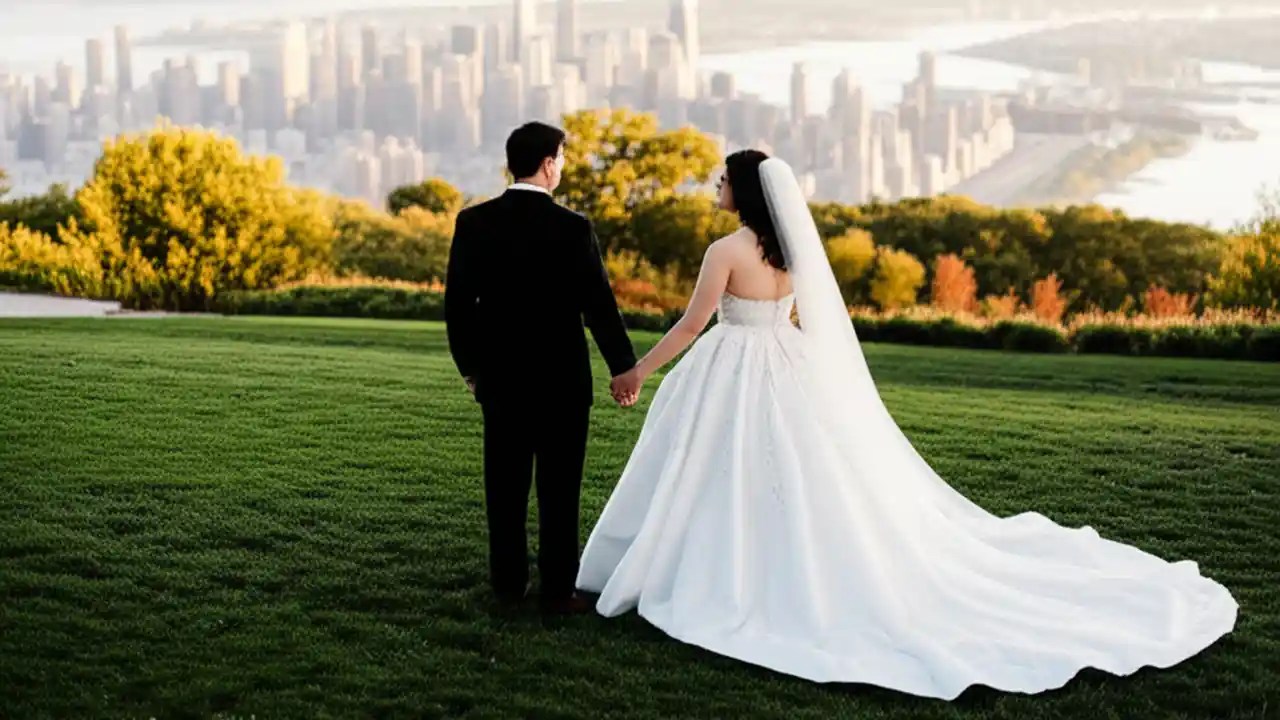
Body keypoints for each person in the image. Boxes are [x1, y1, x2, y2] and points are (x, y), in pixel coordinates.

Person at [576, 150, 1238, 699]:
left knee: (715, 467)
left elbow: (694, 324)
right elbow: (803, 315)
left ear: (742, 192)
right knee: (792, 472)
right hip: (786, 362)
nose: (715, 186)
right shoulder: (790, 252)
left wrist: (637, 370)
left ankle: (707, 569)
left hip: (734, 367)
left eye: (722, 179)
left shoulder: (725, 249)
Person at [445, 121, 642, 615]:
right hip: (562, 382)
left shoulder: (474, 222)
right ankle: (558, 589)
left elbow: (457, 306)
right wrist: (623, 368)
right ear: (549, 163)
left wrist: (471, 370)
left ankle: (507, 585)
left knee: (504, 487)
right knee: (560, 490)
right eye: (562, 158)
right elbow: (599, 305)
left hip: (501, 380)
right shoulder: (573, 229)